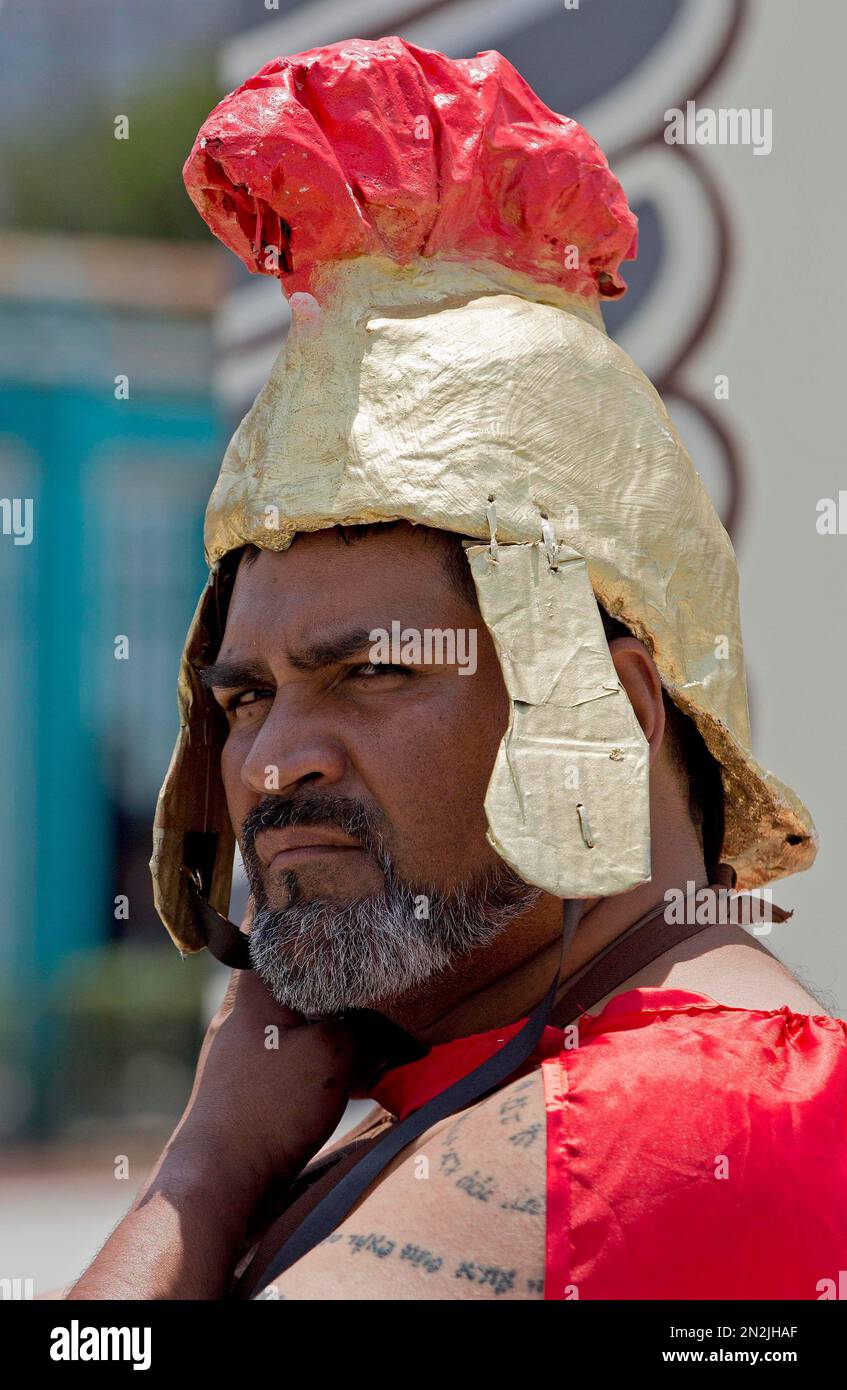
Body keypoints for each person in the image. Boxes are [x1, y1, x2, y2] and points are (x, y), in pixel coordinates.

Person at [67, 37, 846, 1302]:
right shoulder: (513, 1084)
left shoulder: (671, 1117)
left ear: (614, 711)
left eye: (371, 671)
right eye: (247, 695)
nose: (272, 761)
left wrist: (198, 1185)